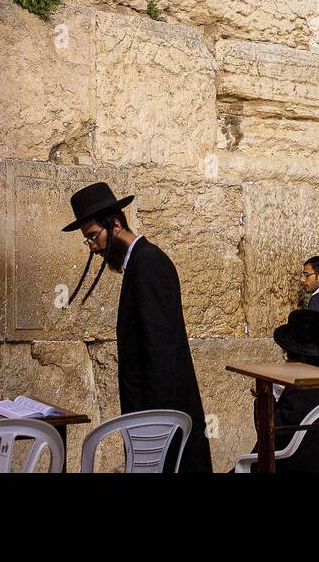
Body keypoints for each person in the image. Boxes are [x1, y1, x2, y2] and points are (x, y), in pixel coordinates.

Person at [63, 182, 212, 473]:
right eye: (88, 241)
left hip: (160, 417)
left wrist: (155, 428)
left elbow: (161, 352)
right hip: (154, 415)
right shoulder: (140, 263)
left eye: (94, 237)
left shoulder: (148, 263)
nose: (93, 248)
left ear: (115, 225)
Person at [248, 309, 319, 473]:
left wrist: (265, 399)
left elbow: (272, 436)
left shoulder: (302, 391)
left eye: (287, 356)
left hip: (297, 465)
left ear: (299, 357)